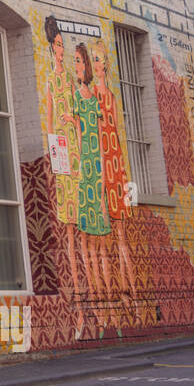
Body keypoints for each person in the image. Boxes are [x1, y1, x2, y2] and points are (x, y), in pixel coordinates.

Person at [90, 41, 136, 298]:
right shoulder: (90, 95)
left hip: (115, 164)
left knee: (121, 231)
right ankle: (108, 292)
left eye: (99, 59)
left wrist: (124, 177)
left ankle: (131, 289)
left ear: (106, 63)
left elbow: (116, 131)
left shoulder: (111, 97)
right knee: (102, 232)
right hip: (99, 164)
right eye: (94, 59)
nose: (97, 64)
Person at [43, 16, 81, 290]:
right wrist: (54, 151)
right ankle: (73, 274)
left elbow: (79, 112)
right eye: (58, 44)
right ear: (51, 47)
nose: (61, 49)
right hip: (61, 145)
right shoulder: (50, 80)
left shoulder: (70, 78)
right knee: (67, 209)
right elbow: (48, 118)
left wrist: (73, 119)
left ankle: (81, 257)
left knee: (80, 205)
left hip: (75, 143)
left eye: (62, 44)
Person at [73, 43, 113, 292]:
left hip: (96, 165)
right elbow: (80, 133)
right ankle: (94, 289)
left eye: (79, 61)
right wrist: (80, 164)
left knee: (100, 239)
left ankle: (106, 290)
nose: (77, 65)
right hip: (86, 166)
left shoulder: (92, 100)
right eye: (75, 61)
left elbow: (97, 133)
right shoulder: (77, 97)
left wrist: (103, 172)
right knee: (86, 236)